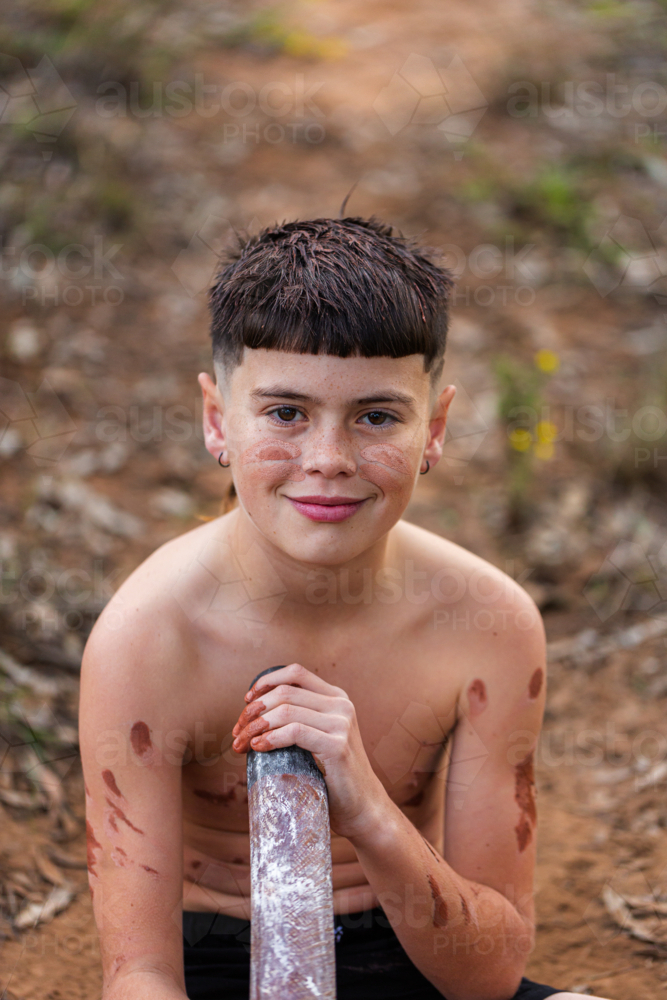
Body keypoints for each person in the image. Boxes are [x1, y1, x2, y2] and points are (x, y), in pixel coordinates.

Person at [80, 216, 613, 1000]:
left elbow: (491, 974)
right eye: (285, 413)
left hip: (418, 950)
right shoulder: (148, 638)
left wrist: (365, 806)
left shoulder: (487, 622)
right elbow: (140, 974)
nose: (327, 460)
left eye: (376, 417)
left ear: (433, 428)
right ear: (216, 419)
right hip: (222, 964)